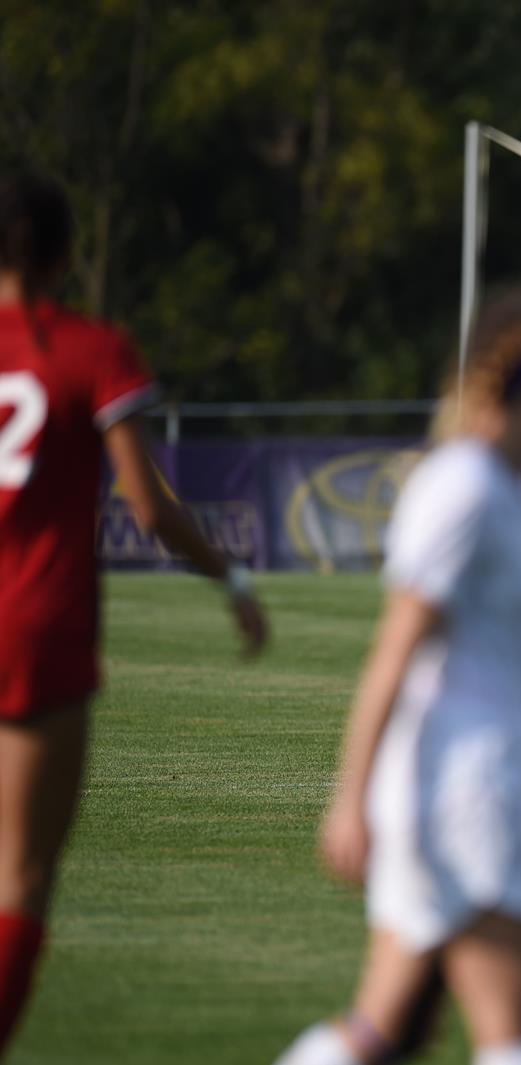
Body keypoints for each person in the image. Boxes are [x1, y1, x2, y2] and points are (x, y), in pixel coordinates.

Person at [276, 289, 521, 1065]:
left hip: (458, 792)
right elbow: (395, 649)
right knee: (516, 1030)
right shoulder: (463, 489)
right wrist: (347, 797)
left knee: (385, 1028)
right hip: (464, 795)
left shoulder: (503, 491)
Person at [0, 173, 267, 1056]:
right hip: (36, 630)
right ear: (68, 252)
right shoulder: (89, 349)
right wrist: (229, 583)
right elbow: (148, 509)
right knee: (23, 878)